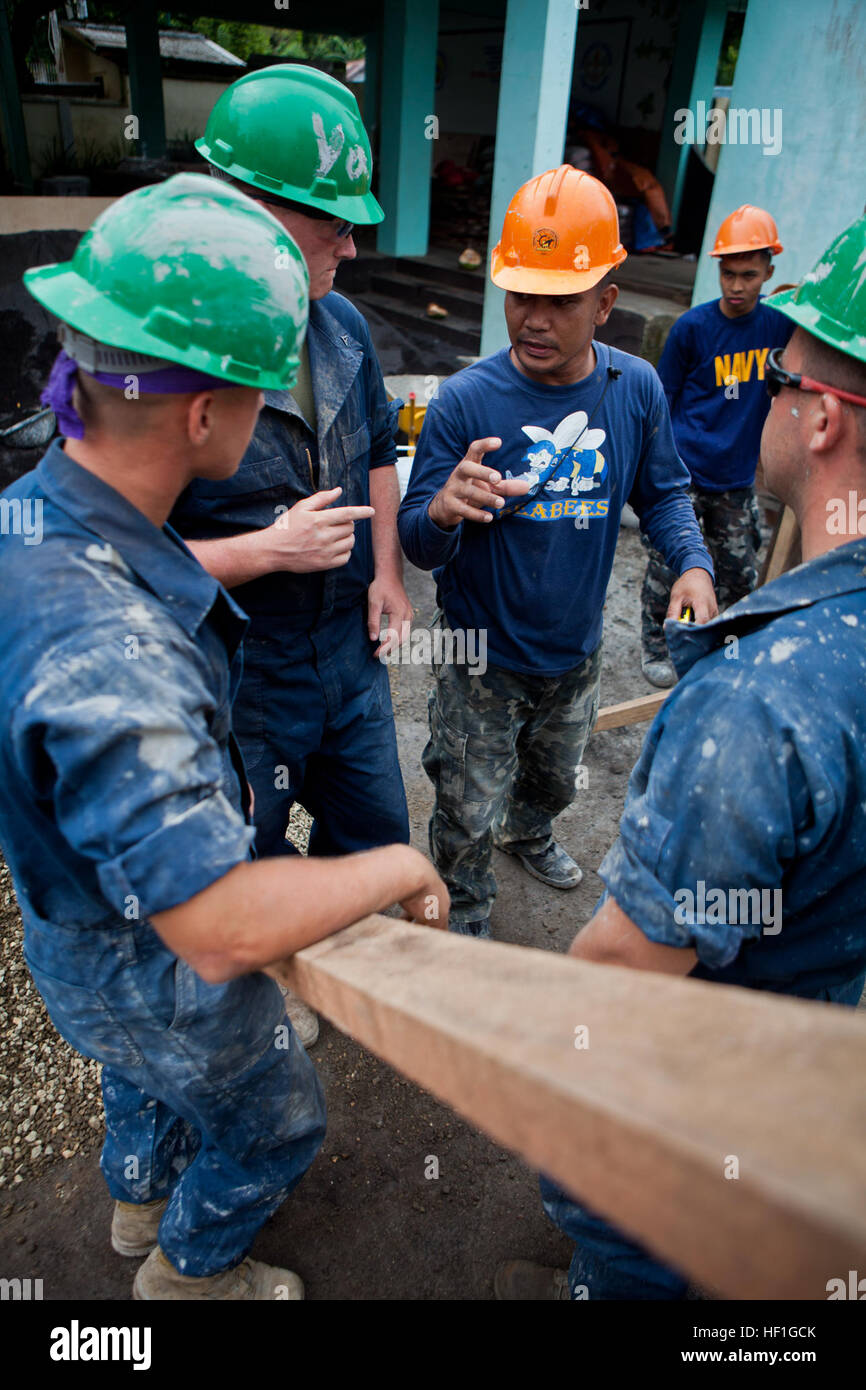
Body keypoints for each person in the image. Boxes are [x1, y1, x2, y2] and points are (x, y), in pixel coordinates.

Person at [0, 175, 448, 1301]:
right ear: (204, 416)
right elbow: (210, 927)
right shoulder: (117, 647)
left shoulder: (30, 523)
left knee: (138, 1071)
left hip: (75, 912)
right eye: (256, 391)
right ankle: (188, 1276)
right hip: (136, 943)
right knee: (276, 1119)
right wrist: (392, 861)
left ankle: (139, 1198)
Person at [497, 213, 866, 1301]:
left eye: (783, 384)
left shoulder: (761, 698)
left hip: (703, 1119)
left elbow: (618, 977)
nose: (765, 396)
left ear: (825, 423)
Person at [398, 166, 716, 939]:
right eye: (521, 295)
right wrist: (441, 509)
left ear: (605, 302)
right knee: (467, 805)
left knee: (553, 780)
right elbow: (415, 537)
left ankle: (529, 831)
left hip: (574, 653)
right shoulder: (467, 400)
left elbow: (666, 493)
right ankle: (464, 911)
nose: (534, 319)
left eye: (560, 300)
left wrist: (696, 564)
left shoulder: (634, 389)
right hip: (482, 657)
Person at [170, 65, 414, 1047]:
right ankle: (272, 985)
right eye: (330, 223)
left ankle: (345, 972)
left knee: (376, 838)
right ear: (250, 210)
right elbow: (114, 557)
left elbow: (384, 455)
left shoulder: (343, 326)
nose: (351, 246)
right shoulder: (169, 348)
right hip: (249, 680)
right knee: (252, 861)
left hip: (347, 666)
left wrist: (389, 573)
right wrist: (262, 551)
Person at [641, 204, 794, 687]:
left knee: (736, 571)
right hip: (686, 472)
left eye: (749, 275)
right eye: (728, 273)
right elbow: (662, 400)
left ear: (768, 270)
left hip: (736, 477)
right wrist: (654, 468)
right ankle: (659, 646)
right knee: (670, 567)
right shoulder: (692, 328)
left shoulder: (777, 327)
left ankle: (719, 645)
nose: (736, 285)